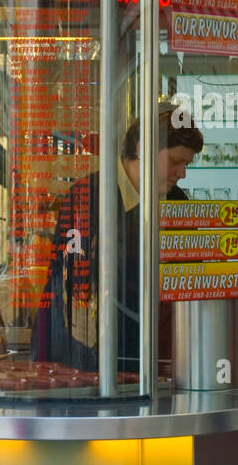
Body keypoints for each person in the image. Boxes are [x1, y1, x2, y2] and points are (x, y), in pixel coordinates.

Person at [33, 103, 203, 375]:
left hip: (157, 361)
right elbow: (69, 296)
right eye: (174, 161)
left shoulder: (177, 201)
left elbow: (191, 279)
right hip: (90, 362)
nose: (182, 173)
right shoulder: (86, 198)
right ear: (141, 148)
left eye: (186, 164)